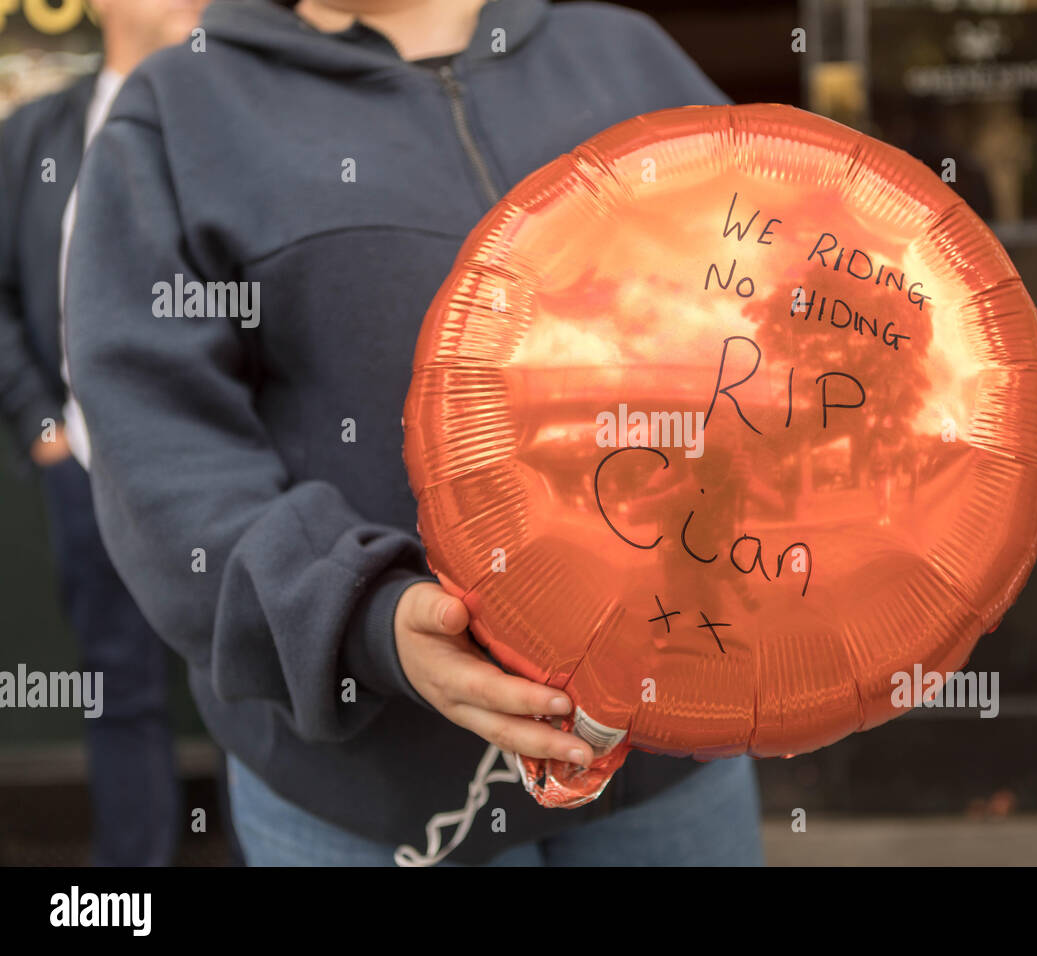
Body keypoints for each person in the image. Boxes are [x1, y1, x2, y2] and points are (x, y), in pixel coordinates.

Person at [64, 0, 764, 866]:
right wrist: (360, 615)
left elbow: (769, 287)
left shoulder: (620, 51)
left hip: (668, 747)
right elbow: (161, 450)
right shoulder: (181, 107)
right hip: (364, 793)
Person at [0, 0, 207, 866]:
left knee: (256, 691)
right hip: (83, 471)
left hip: (219, 474)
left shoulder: (235, 116)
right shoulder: (36, 133)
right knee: (116, 691)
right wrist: (44, 426)